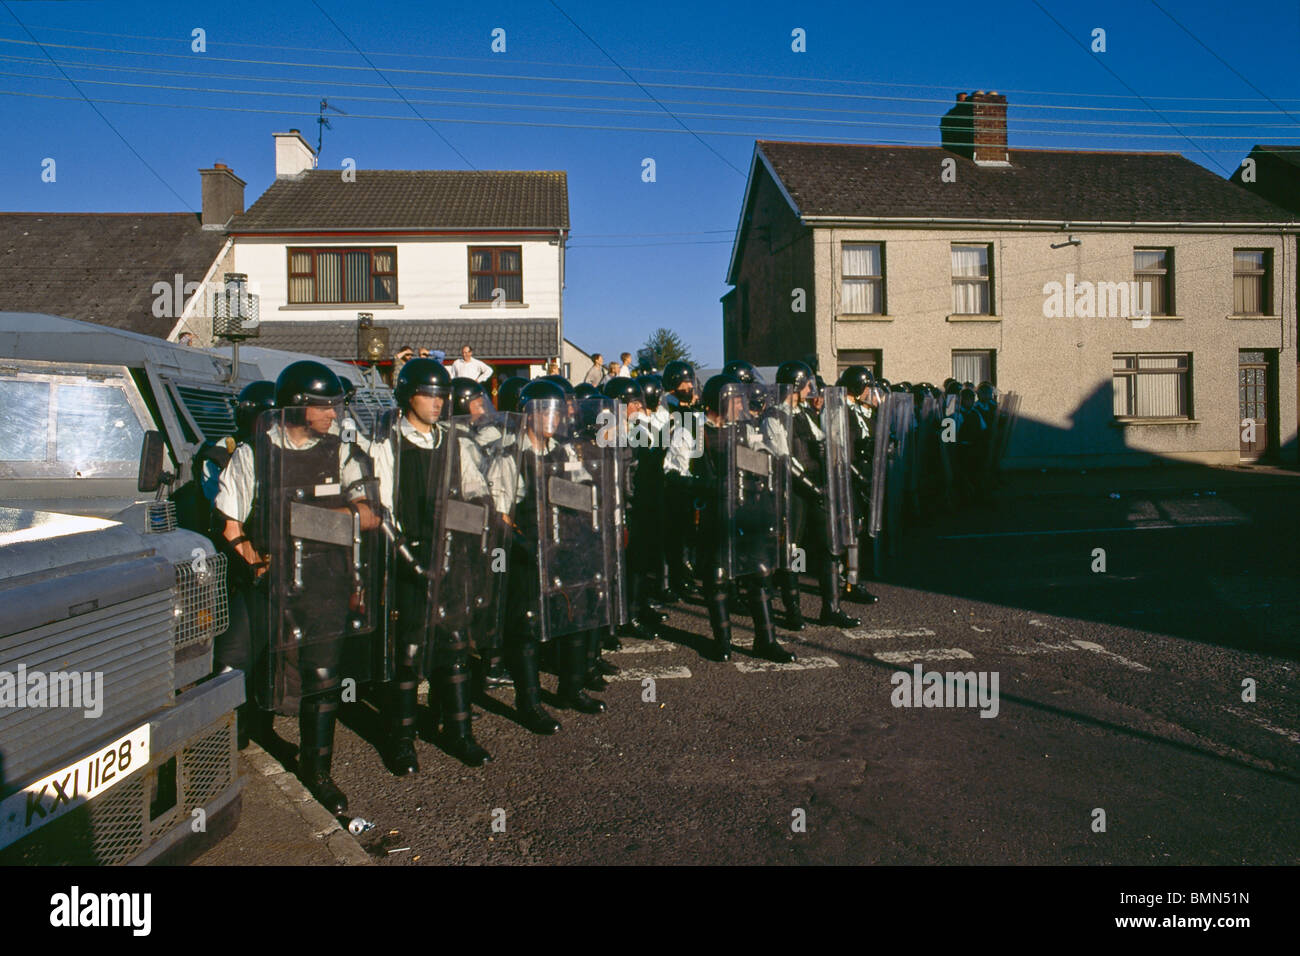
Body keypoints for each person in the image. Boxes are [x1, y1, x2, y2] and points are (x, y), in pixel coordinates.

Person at [214, 361, 381, 814]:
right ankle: (229, 751)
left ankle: (318, 771)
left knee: (323, 676)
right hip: (268, 586)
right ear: (299, 406)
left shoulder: (342, 453)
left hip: (324, 582)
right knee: (237, 662)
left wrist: (318, 522)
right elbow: (231, 524)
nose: (334, 414)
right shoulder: (254, 454)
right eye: (325, 406)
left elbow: (369, 514)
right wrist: (256, 562)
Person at [665, 373, 794, 663]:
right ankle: (722, 640)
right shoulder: (692, 428)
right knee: (717, 576)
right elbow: (673, 472)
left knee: (760, 572)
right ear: (720, 400)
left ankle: (767, 640)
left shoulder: (746, 429)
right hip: (714, 512)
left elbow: (765, 460)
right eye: (736, 399)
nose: (741, 404)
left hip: (748, 511)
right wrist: (705, 486)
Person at [773, 360, 861, 630]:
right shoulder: (774, 416)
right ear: (796, 384)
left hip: (817, 488)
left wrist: (827, 450)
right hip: (794, 492)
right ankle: (794, 610)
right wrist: (811, 487)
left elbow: (821, 439)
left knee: (829, 547)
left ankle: (831, 608)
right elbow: (782, 458)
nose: (812, 388)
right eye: (807, 382)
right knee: (792, 551)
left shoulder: (804, 414)